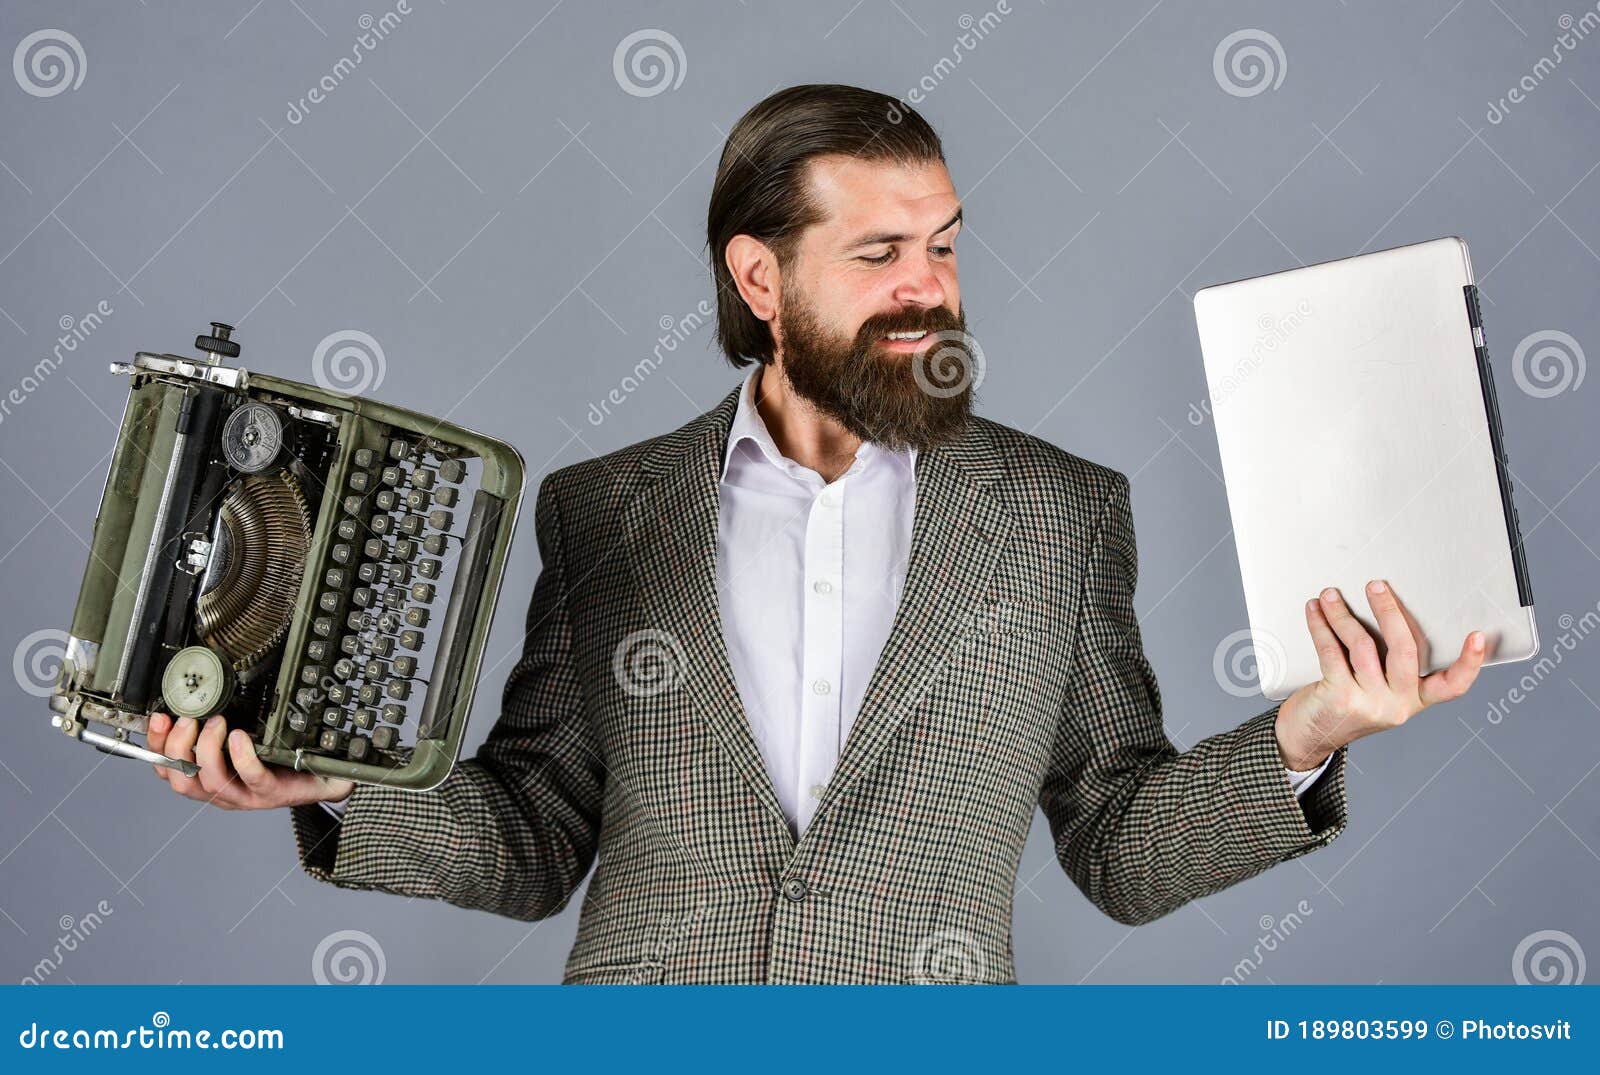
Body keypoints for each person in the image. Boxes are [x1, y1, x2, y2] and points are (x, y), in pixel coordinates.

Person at [148, 83, 1488, 984]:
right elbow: (537, 842)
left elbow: (1122, 850)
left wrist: (1311, 733)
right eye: (879, 254)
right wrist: (333, 782)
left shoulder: (1060, 517)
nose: (931, 289)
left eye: (946, 247)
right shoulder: (603, 510)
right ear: (759, 278)